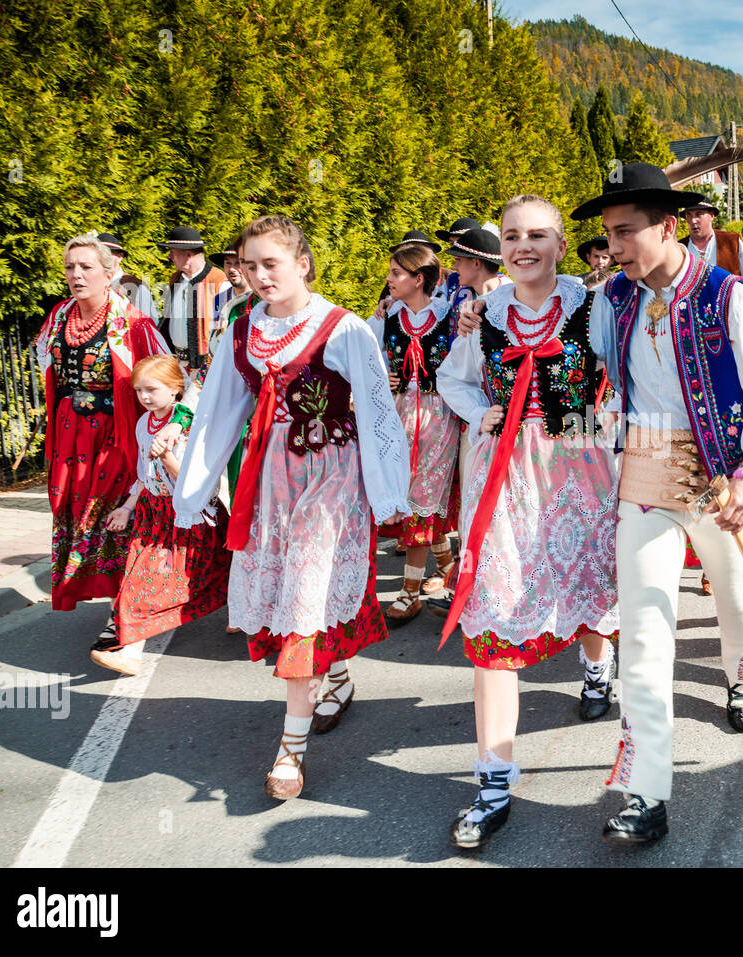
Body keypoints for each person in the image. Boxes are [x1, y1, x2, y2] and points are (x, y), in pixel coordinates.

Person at [574, 163, 743, 843]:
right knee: (645, 630)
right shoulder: (611, 300)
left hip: (720, 475)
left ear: (669, 226)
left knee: (737, 597)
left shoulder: (726, 295)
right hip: (645, 473)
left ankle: (742, 676)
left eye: (626, 232)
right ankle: (646, 792)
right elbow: (588, 364)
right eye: (608, 234)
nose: (614, 247)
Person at [172, 215, 410, 800]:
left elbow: (378, 411)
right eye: (250, 265)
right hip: (271, 480)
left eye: (270, 263)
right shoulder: (241, 330)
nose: (259, 275)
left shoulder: (344, 328)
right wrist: (193, 492)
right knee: (295, 593)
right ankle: (338, 680)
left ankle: (290, 751)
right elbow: (219, 412)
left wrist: (388, 494)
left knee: (304, 599)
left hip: (331, 477)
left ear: (302, 263)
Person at [436, 195, 620, 848]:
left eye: (538, 234)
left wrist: (593, 428)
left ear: (561, 243)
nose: (523, 245)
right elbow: (450, 379)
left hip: (580, 470)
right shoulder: (483, 313)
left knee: (595, 592)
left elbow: (623, 381)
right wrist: (478, 411)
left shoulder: (594, 304)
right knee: (494, 615)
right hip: (504, 477)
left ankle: (596, 670)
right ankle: (492, 779)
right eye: (512, 235)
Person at [35, 233, 185, 619]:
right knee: (75, 510)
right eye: (70, 267)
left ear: (108, 272)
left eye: (86, 267)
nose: (76, 274)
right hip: (68, 436)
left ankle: (125, 611)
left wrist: (175, 421)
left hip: (113, 435)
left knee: (112, 515)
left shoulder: (132, 323)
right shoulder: (57, 316)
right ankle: (112, 601)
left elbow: (170, 376)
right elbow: (47, 366)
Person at [93, 355, 230, 675]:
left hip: (187, 514)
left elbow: (192, 482)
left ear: (174, 388)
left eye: (151, 390)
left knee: (216, 571)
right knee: (140, 577)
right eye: (138, 390)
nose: (143, 397)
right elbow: (144, 473)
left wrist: (167, 455)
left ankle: (242, 616)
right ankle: (130, 650)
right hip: (153, 513)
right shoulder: (145, 424)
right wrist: (127, 508)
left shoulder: (190, 424)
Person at [368, 243, 461, 623]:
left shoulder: (451, 317)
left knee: (423, 497)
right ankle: (445, 565)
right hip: (400, 415)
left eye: (395, 274)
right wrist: (385, 379)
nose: (388, 280)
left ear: (418, 279)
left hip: (440, 415)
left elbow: (467, 365)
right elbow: (372, 365)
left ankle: (409, 591)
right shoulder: (386, 319)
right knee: (411, 494)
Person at [159, 226, 228, 377]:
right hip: (176, 362)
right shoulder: (176, 278)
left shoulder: (219, 281)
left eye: (172, 253)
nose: (169, 257)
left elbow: (224, 327)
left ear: (188, 255)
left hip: (205, 366)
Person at [679, 200, 743, 278]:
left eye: (698, 214)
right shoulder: (680, 248)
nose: (693, 220)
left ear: (712, 216)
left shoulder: (731, 242)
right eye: (688, 215)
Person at [99, 232, 157, 320]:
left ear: (119, 257)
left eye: (107, 255)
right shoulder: (88, 285)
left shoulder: (137, 286)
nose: (101, 259)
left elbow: (150, 324)